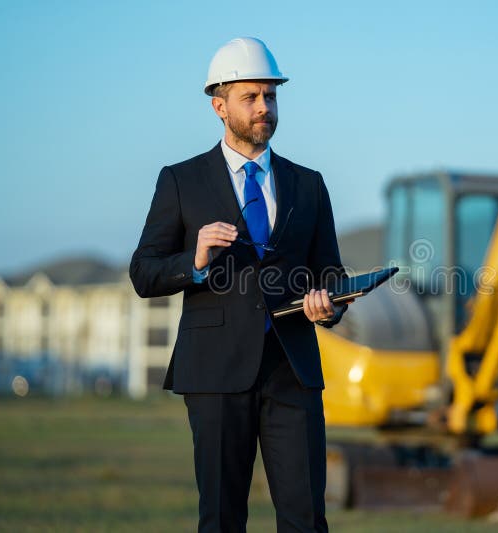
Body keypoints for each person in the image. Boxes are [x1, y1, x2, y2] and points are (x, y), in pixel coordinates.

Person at [129, 37, 347, 533]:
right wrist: (197, 260)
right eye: (251, 97)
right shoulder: (180, 181)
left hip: (293, 371)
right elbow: (144, 272)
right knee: (223, 520)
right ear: (219, 105)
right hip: (213, 374)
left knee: (306, 520)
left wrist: (327, 303)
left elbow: (329, 273)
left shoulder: (308, 184)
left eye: (271, 96)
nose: (264, 108)